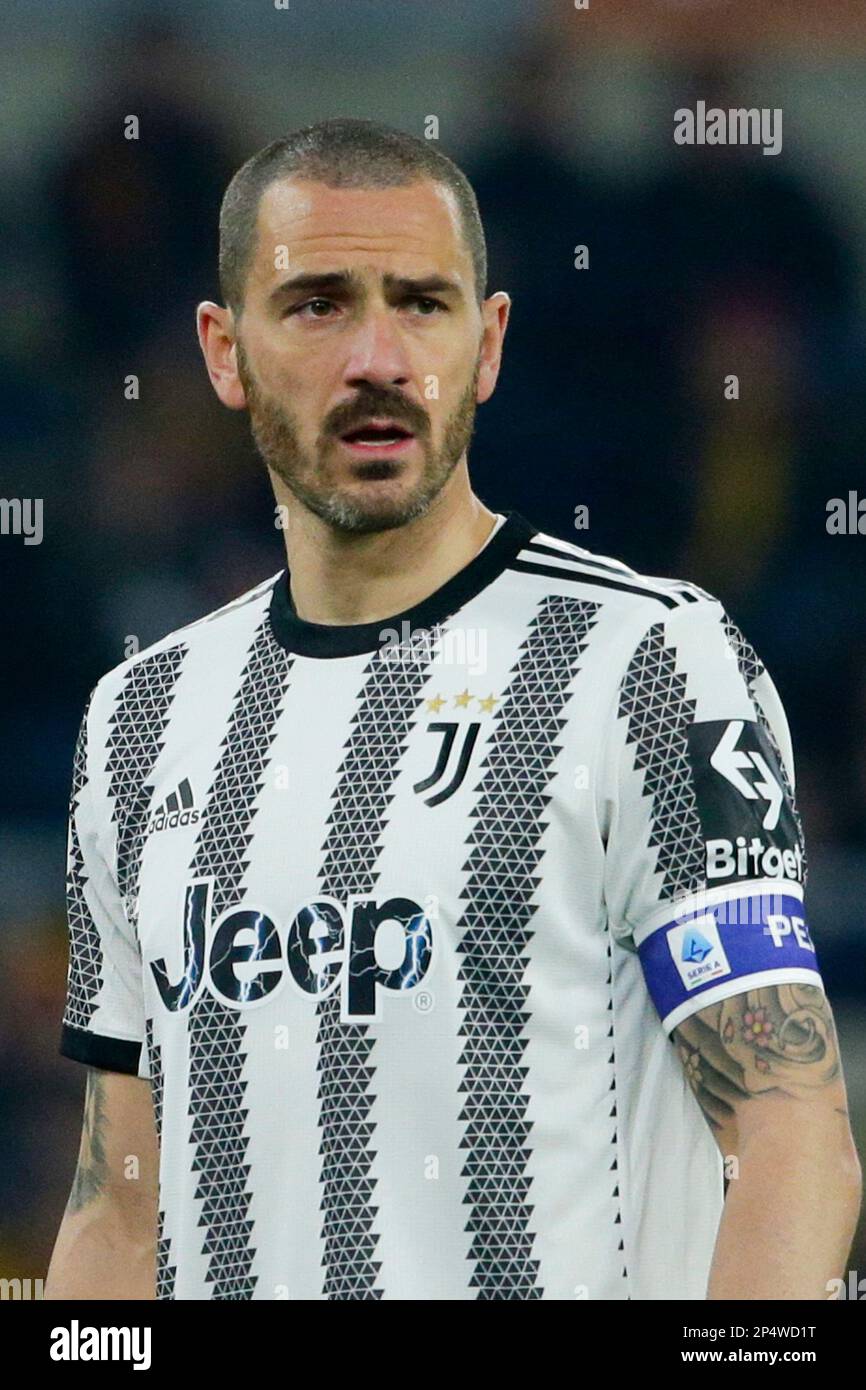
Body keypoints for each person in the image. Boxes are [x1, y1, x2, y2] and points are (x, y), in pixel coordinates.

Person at [46, 118, 860, 1301]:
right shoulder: (140, 718)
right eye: (319, 304)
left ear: (486, 346)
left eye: (421, 304)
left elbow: (789, 1131)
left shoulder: (645, 662)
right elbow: (118, 1202)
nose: (378, 356)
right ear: (224, 352)